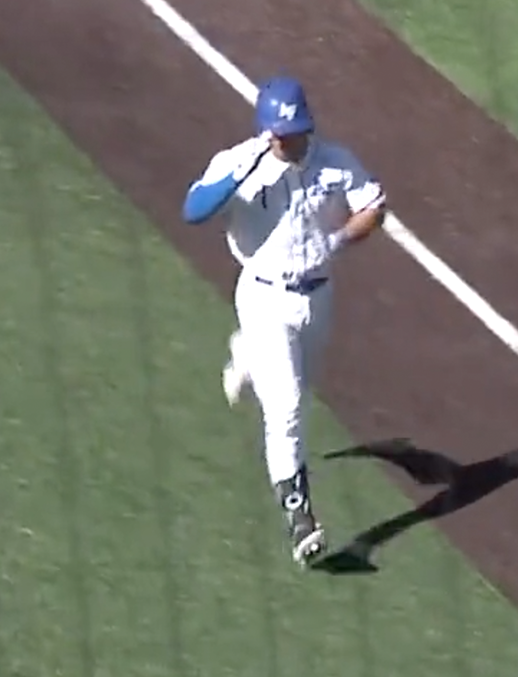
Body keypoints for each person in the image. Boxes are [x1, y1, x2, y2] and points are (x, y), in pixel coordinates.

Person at [180, 75, 388, 567]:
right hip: (263, 298)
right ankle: (301, 519)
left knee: (299, 390)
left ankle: (246, 352)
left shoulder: (334, 161)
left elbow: (374, 207)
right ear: (268, 130)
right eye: (286, 132)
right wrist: (246, 168)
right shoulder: (236, 164)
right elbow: (194, 210)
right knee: (288, 409)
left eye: (301, 130)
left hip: (317, 298)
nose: (296, 140)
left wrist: (336, 241)